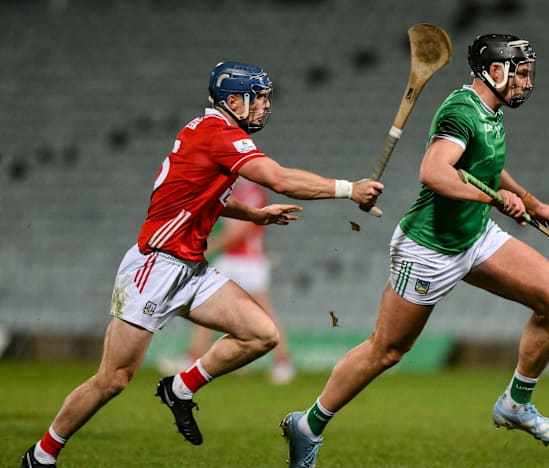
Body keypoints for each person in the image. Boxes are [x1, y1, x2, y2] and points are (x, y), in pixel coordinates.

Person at [20, 61, 383, 468]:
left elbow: (203, 196)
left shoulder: (207, 131)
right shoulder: (218, 134)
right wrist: (348, 189)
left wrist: (254, 216)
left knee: (261, 334)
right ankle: (41, 456)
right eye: (257, 97)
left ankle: (180, 388)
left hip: (189, 268)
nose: (264, 105)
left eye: (265, 97)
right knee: (113, 380)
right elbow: (278, 179)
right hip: (154, 267)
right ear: (232, 101)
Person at [281, 34, 549, 467]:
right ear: (493, 71)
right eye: (521, 72)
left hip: (475, 237)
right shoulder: (461, 111)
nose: (526, 82)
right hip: (428, 248)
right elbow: (434, 171)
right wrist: (494, 200)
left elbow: (488, 165)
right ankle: (306, 426)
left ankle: (515, 404)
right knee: (387, 350)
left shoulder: (489, 113)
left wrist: (531, 203)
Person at [178, 179, 296, 385]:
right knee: (206, 305)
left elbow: (238, 232)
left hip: (249, 261)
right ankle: (192, 357)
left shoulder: (253, 193)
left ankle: (283, 363)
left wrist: (205, 249)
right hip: (231, 259)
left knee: (265, 312)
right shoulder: (231, 191)